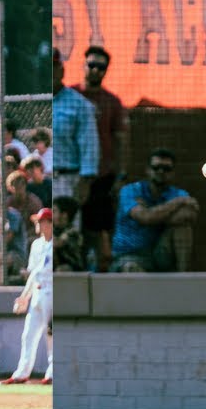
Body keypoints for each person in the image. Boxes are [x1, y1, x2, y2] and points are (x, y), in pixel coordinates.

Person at [75, 46, 129, 271]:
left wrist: (120, 176)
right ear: (83, 65)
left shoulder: (111, 102)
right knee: (74, 234)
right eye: (92, 65)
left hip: (101, 179)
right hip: (73, 177)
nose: (96, 70)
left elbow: (121, 143)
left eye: (101, 67)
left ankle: (100, 285)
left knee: (100, 236)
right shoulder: (70, 97)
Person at [111, 149, 199, 273]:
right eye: (156, 167)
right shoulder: (129, 191)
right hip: (129, 255)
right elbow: (145, 217)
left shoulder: (178, 193)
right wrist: (176, 204)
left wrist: (152, 215)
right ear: (147, 170)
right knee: (131, 268)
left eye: (166, 168)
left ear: (173, 173)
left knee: (183, 228)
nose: (161, 171)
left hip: (158, 253)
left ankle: (183, 279)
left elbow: (189, 215)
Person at [0, 208, 54, 386]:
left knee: (51, 335)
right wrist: (24, 297)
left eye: (42, 221)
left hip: (52, 291)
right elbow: (33, 274)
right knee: (28, 334)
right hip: (38, 292)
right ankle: (21, 373)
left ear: (50, 223)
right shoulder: (36, 245)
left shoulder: (57, 244)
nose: (38, 224)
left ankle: (53, 373)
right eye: (37, 221)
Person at [51, 48, 100, 205]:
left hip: (66, 178)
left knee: (66, 228)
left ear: (61, 70)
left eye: (53, 67)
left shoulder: (79, 104)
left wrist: (85, 180)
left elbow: (90, 145)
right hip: (40, 179)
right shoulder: (34, 99)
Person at [51, 196, 87, 272]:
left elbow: (58, 243)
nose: (52, 216)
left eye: (54, 212)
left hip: (73, 269)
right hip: (57, 266)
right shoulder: (55, 230)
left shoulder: (73, 232)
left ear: (64, 215)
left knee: (62, 269)